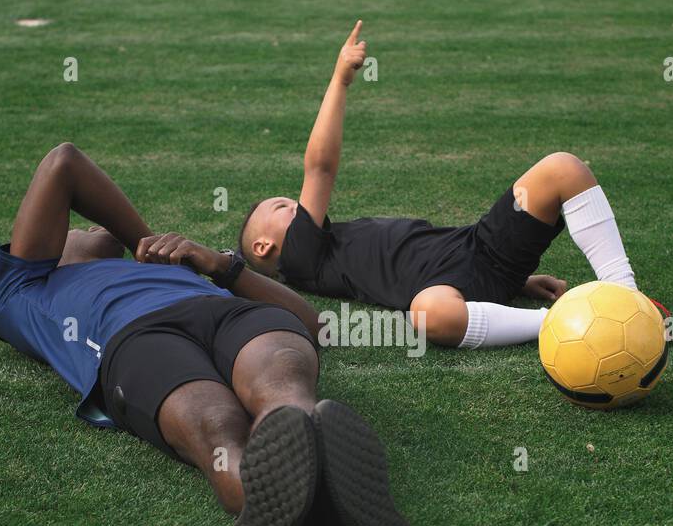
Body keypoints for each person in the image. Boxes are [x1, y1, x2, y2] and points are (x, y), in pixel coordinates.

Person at [0, 142, 418, 526]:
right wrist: (142, 239)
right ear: (48, 243)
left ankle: (309, 501)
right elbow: (65, 164)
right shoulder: (18, 287)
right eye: (81, 228)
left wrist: (221, 266)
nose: (95, 226)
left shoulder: (180, 266)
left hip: (228, 313)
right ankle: (328, 513)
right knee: (215, 427)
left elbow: (313, 325)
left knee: (285, 395)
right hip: (137, 337)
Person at [238, 21, 649, 348]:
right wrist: (340, 80)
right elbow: (320, 168)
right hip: (449, 293)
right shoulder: (298, 259)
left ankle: (627, 296)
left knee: (563, 168)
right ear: (265, 247)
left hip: (484, 250)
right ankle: (569, 322)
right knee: (427, 315)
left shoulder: (334, 243)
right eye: (281, 207)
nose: (294, 202)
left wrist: (519, 282)